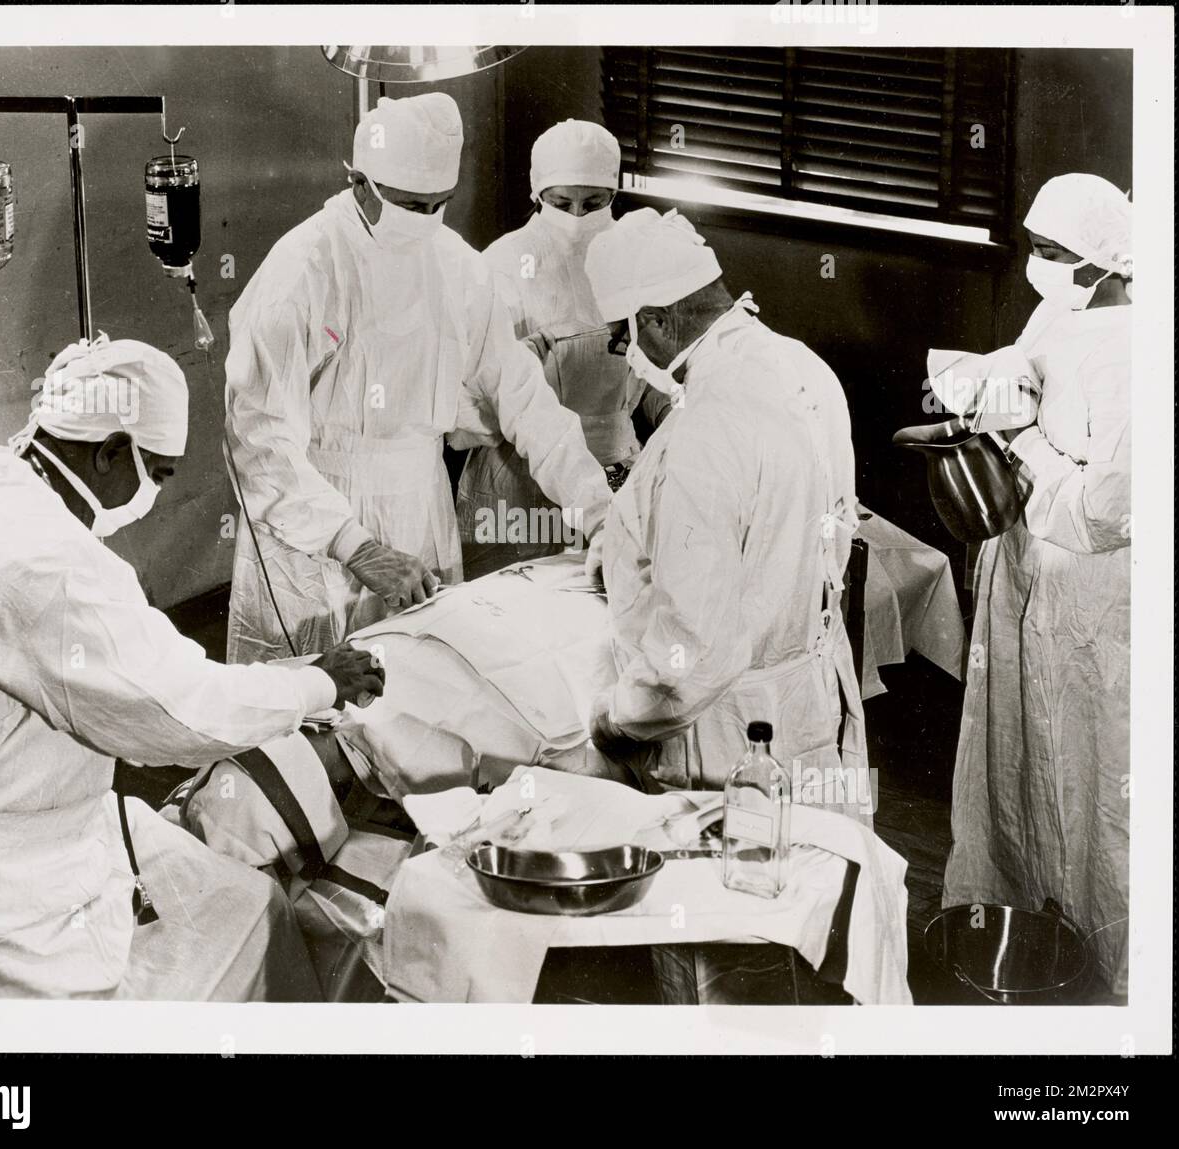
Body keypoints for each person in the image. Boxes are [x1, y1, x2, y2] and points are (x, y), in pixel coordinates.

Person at [0, 334, 385, 1000]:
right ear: (110, 450)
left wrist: (301, 673)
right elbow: (183, 709)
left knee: (250, 900)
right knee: (225, 938)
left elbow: (145, 667)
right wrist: (321, 683)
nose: (154, 493)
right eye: (158, 473)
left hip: (35, 806)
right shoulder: (47, 566)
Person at [224, 92, 612, 662]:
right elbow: (258, 439)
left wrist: (599, 512)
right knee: (308, 705)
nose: (427, 221)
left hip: (420, 506)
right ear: (360, 183)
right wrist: (355, 547)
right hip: (316, 520)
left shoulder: (456, 266)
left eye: (440, 204)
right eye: (410, 205)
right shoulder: (303, 268)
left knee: (423, 695)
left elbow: (525, 398)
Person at [582, 208, 870, 819]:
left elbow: (692, 651)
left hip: (731, 731)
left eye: (621, 335)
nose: (624, 353)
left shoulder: (707, 428)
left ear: (656, 320)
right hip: (810, 694)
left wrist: (621, 717)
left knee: (739, 889)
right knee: (812, 887)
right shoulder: (803, 368)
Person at [943, 173, 1132, 996]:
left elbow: (1107, 512)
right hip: (1025, 578)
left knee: (1088, 785)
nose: (1037, 269)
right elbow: (1021, 372)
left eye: (1053, 254)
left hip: (1093, 601)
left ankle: (1107, 966)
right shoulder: (1065, 308)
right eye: (1034, 249)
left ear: (1100, 260)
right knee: (1016, 765)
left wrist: (1021, 448)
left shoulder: (1137, 351)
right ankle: (1016, 917)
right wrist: (969, 389)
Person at [456, 119, 668, 578]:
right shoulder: (502, 265)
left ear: (615, 195)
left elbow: (651, 366)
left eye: (593, 203)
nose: (576, 217)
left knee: (606, 599)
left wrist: (673, 412)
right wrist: (526, 364)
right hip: (515, 486)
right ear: (537, 195)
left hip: (615, 470)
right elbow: (473, 400)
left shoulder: (633, 260)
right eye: (560, 202)